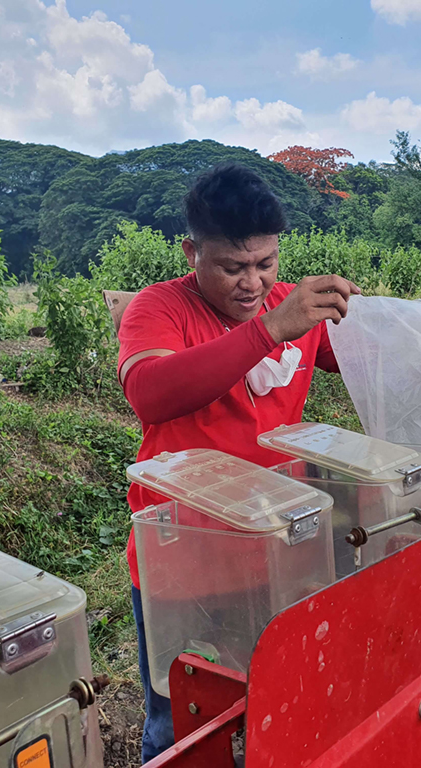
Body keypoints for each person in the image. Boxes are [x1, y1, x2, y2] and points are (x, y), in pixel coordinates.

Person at [116, 163, 360, 761]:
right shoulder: (161, 310)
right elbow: (150, 391)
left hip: (277, 549)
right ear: (191, 252)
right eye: (232, 267)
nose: (252, 283)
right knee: (182, 725)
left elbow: (364, 357)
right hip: (184, 559)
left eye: (265, 264)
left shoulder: (293, 307)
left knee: (283, 700)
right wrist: (269, 330)